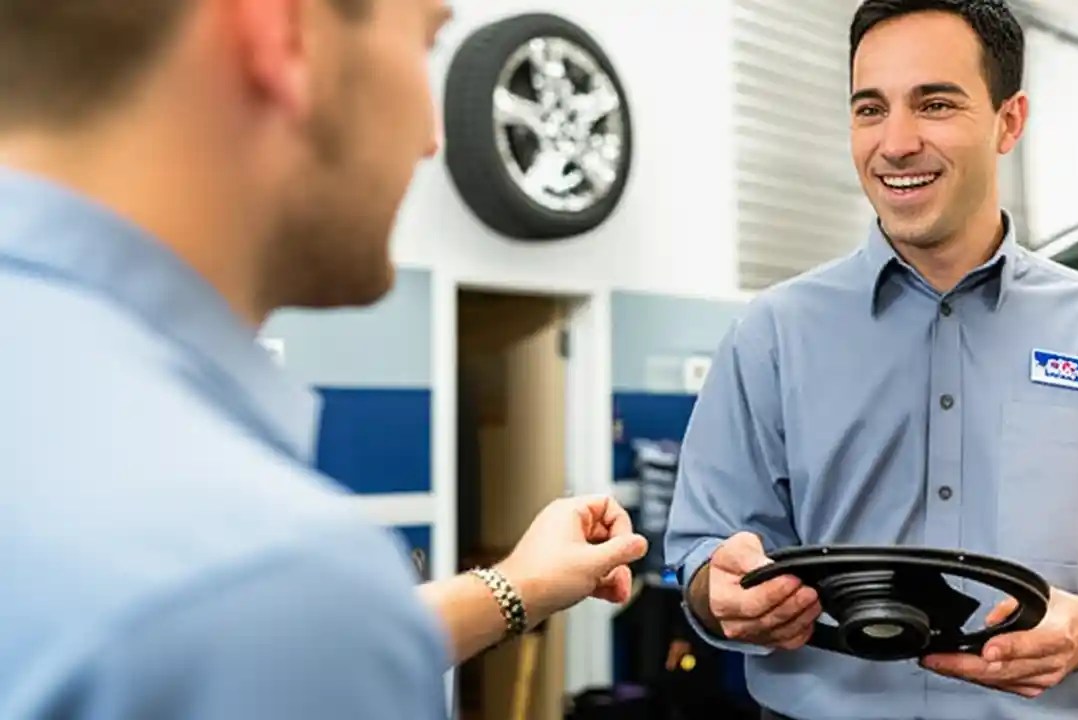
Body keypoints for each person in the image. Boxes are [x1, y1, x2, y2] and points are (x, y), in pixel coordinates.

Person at [0, 0, 646, 718]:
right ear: (284, 32)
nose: (433, 137)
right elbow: (257, 616)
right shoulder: (260, 573)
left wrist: (515, 587)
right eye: (425, 44)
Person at [664, 1, 1078, 718]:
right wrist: (718, 592)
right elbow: (704, 555)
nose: (897, 142)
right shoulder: (771, 335)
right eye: (869, 109)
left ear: (1010, 121)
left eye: (935, 103)